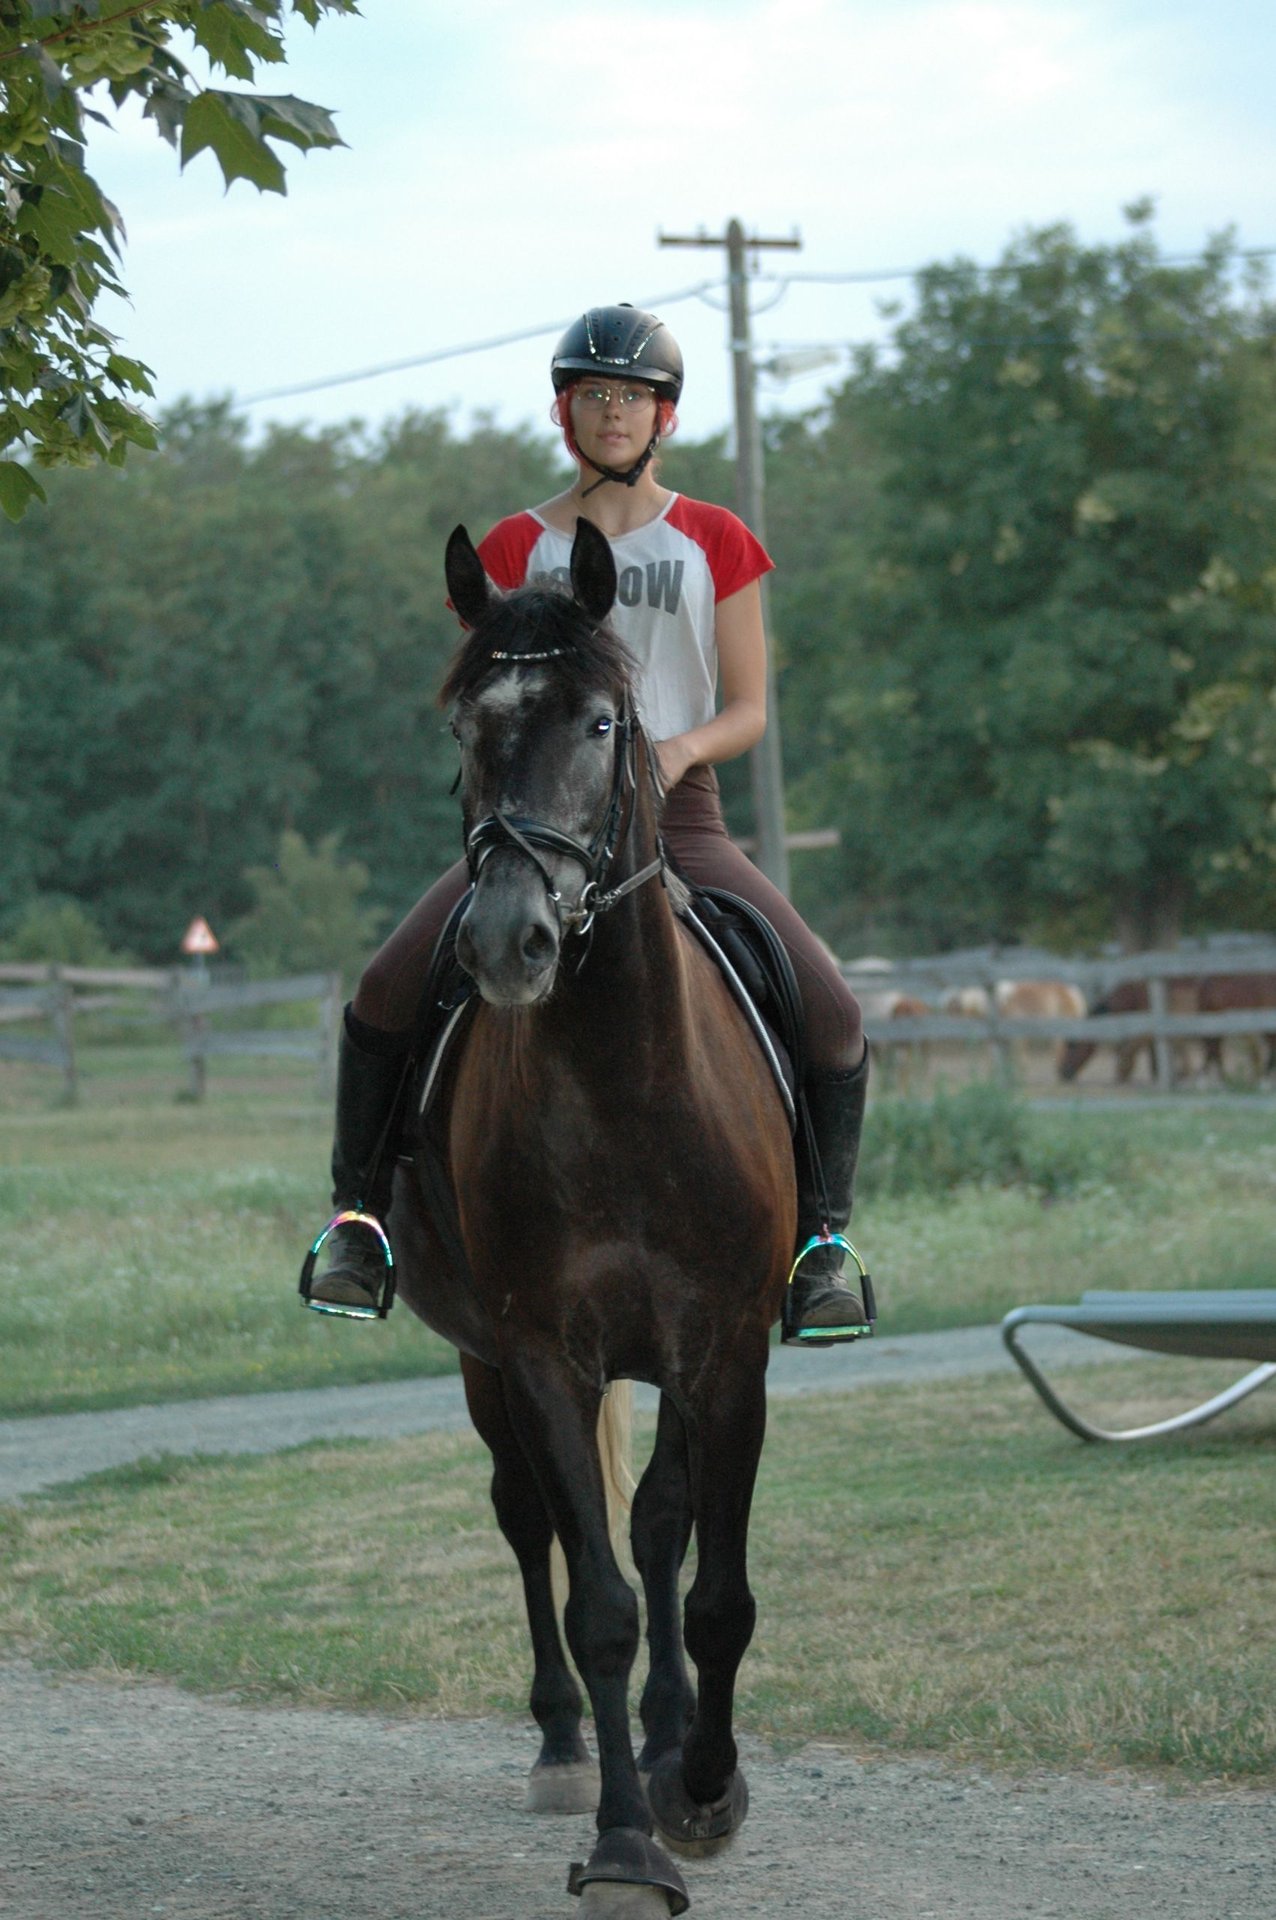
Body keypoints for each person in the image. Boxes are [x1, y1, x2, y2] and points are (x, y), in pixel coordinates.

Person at [307, 304, 870, 1344]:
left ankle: (820, 1245)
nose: (613, 412)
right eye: (594, 395)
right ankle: (358, 1225)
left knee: (831, 1007)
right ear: (566, 410)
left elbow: (747, 706)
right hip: (536, 823)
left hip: (678, 820)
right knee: (386, 988)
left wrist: (675, 751)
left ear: (663, 415)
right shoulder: (515, 544)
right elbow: (490, 695)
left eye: (633, 397)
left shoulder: (715, 539)